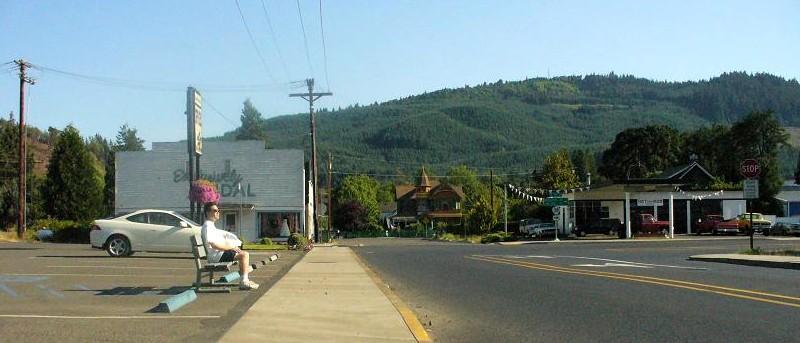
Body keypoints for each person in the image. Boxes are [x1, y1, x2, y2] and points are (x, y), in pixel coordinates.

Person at [201, 202, 259, 290]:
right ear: (208, 212)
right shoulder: (207, 226)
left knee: (241, 252)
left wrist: (234, 247)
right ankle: (244, 281)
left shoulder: (211, 226)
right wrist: (231, 247)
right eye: (215, 210)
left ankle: (245, 280)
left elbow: (220, 242)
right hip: (216, 256)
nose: (218, 212)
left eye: (218, 211)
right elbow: (214, 245)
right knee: (244, 255)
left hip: (218, 254)